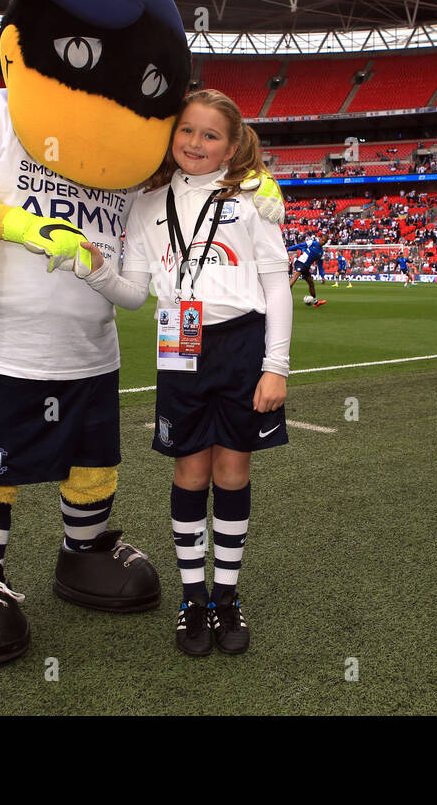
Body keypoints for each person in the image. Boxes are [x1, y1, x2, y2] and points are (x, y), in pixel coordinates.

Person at [77, 89, 291, 657]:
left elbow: (276, 287)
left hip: (242, 344)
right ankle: (192, 598)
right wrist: (96, 271)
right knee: (190, 473)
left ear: (233, 142)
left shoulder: (253, 199)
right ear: (171, 136)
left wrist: (276, 368)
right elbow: (133, 293)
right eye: (187, 131)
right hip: (179, 338)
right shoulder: (147, 204)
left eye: (211, 134)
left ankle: (227, 596)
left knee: (232, 472)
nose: (196, 143)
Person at [288, 233, 326, 306]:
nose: (323, 242)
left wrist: (323, 276)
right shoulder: (312, 243)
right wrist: (288, 250)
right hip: (301, 262)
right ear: (320, 238)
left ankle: (315, 302)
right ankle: (283, 298)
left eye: (325, 241)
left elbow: (320, 266)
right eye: (322, 240)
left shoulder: (321, 253)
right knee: (294, 277)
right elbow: (299, 246)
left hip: (306, 267)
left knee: (311, 283)